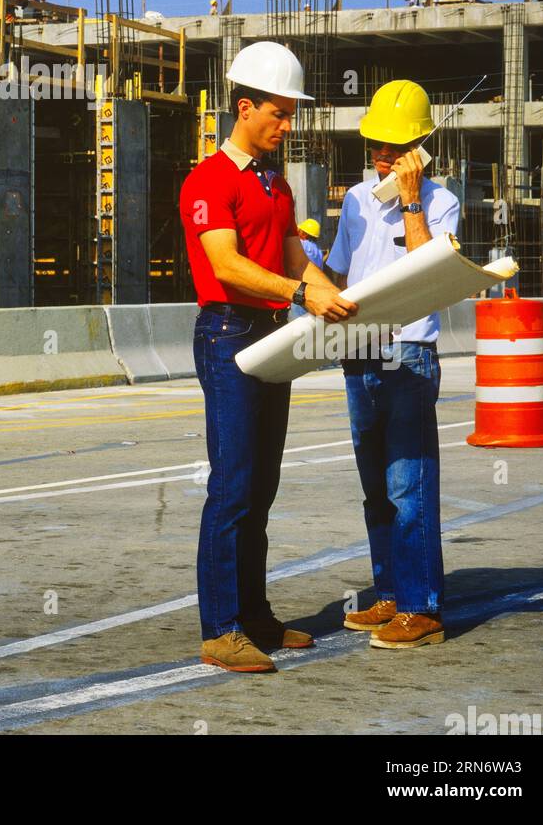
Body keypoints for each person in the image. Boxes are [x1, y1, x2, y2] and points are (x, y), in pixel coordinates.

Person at [179, 41, 357, 673]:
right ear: (244, 106)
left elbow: (294, 259)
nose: (287, 125)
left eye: (291, 115)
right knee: (230, 486)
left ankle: (253, 616)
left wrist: (343, 296)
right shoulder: (208, 180)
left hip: (270, 333)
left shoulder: (274, 184)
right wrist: (302, 293)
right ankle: (220, 628)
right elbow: (226, 265)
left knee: (260, 485)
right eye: (279, 114)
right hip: (228, 332)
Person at [327, 79, 460, 650]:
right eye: (377, 145)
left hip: (408, 352)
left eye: (395, 147)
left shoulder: (441, 201)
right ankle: (390, 591)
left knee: (411, 483)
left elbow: (430, 270)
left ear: (420, 146)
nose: (383, 156)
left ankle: (421, 606)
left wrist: (409, 198)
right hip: (360, 349)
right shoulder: (355, 201)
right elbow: (339, 272)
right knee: (375, 485)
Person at [291, 219, 324, 317]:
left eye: (299, 230)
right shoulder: (318, 251)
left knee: (296, 323)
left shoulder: (303, 245)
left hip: (300, 290)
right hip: (314, 290)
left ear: (305, 234)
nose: (297, 231)